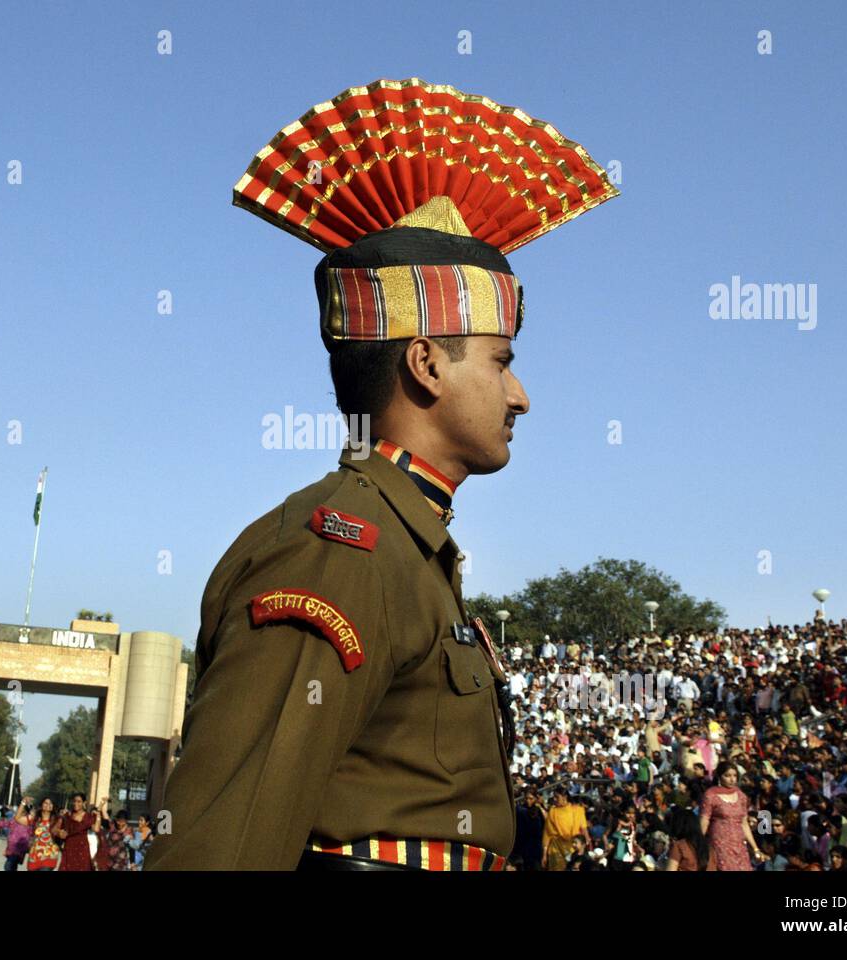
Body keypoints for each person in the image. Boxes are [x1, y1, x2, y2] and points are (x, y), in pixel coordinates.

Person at [145, 77, 617, 872]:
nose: (520, 395)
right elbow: (223, 840)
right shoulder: (341, 550)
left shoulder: (408, 547)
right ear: (427, 364)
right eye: (502, 363)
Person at [700, 762, 764, 871]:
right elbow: (704, 821)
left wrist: (755, 848)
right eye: (727, 776)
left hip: (739, 843)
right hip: (720, 842)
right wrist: (699, 843)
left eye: (734, 776)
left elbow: (744, 824)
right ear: (719, 777)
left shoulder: (741, 796)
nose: (732, 779)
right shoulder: (711, 795)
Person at [542, 787, 590, 871]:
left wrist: (587, 839)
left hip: (573, 846)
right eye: (554, 797)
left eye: (557, 797)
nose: (554, 799)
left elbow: (583, 827)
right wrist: (544, 854)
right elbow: (547, 834)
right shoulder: (552, 812)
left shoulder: (577, 810)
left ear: (564, 797)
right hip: (556, 848)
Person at [56, 793, 95, 871]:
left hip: (82, 848)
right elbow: (56, 829)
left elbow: (96, 829)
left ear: (84, 803)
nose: (75, 804)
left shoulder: (88, 816)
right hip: (69, 847)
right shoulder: (67, 815)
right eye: (74, 801)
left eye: (79, 801)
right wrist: (59, 832)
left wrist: (99, 814)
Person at [24, 797, 60, 871]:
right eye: (45, 803)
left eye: (50, 803)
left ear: (53, 806)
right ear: (41, 805)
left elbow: (61, 833)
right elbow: (17, 818)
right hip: (34, 856)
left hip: (49, 856)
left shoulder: (57, 819)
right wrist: (23, 803)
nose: (48, 805)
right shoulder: (35, 819)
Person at [4, 798, 32, 871]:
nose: (19, 813)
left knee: (9, 866)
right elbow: (3, 824)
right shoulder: (14, 820)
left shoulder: (28, 821)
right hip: (12, 847)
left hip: (20, 848)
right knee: (11, 866)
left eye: (22, 811)